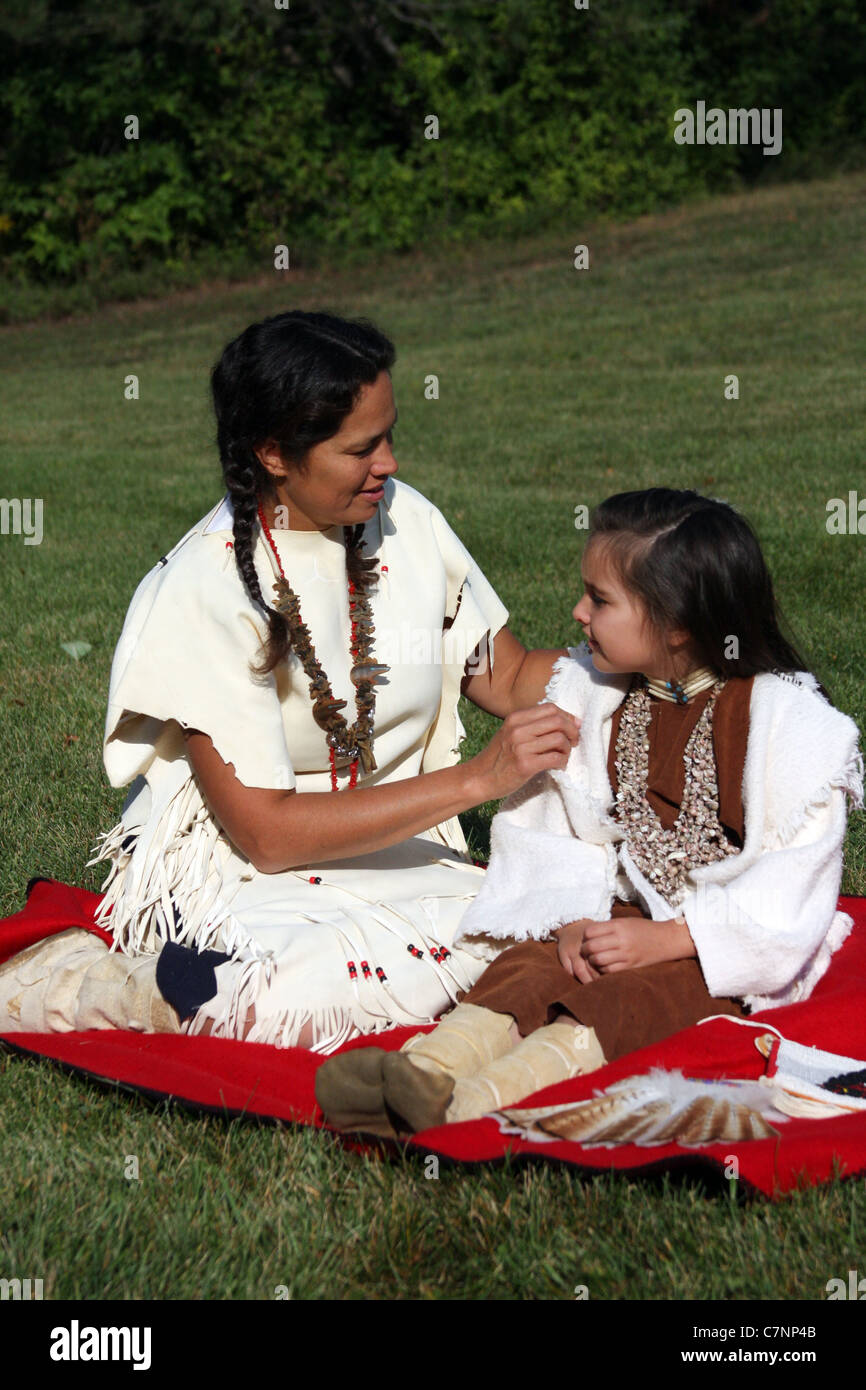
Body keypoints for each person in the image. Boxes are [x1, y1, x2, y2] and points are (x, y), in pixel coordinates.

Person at [0, 310, 580, 1049]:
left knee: (556, 936)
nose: (391, 464)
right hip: (240, 872)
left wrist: (653, 656)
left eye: (391, 435)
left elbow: (512, 678)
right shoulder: (206, 586)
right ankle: (86, 982)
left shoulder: (407, 521)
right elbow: (267, 835)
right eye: (361, 448)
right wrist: (477, 781)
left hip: (393, 842)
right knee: (284, 1005)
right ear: (274, 453)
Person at [316, 487, 864, 1134]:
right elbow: (552, 822)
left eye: (599, 600)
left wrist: (671, 939)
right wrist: (569, 916)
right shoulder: (594, 694)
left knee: (628, 1000)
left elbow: (792, 879)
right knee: (526, 967)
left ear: (677, 623)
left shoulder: (786, 724)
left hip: (716, 950)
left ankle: (464, 1106)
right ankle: (427, 1067)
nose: (577, 612)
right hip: (614, 915)